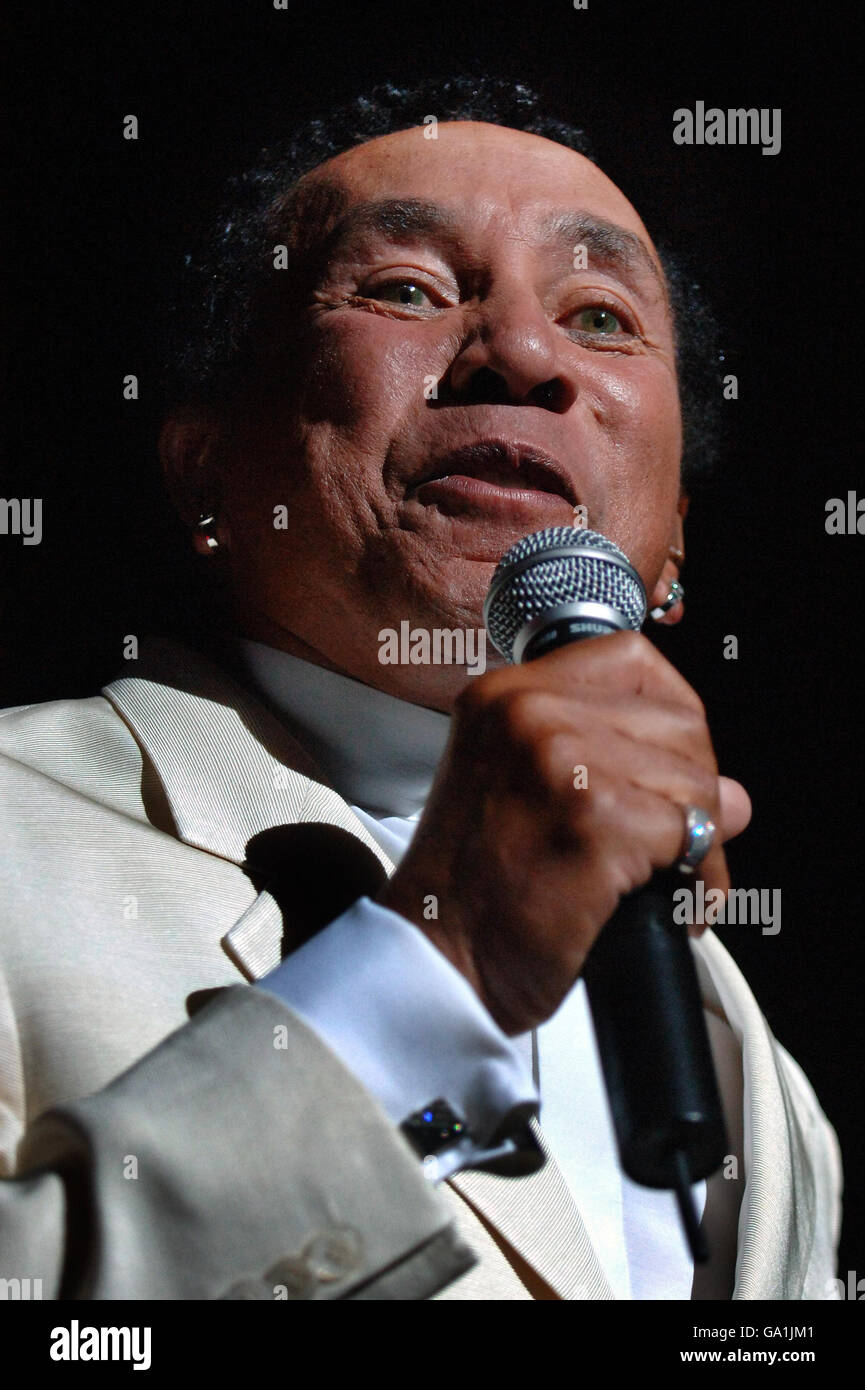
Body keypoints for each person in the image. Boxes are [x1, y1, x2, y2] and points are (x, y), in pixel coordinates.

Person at [0, 78, 841, 1301]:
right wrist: (429, 977)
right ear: (203, 472)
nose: (525, 353)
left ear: (669, 556)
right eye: (409, 291)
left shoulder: (748, 1058)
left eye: (600, 315)